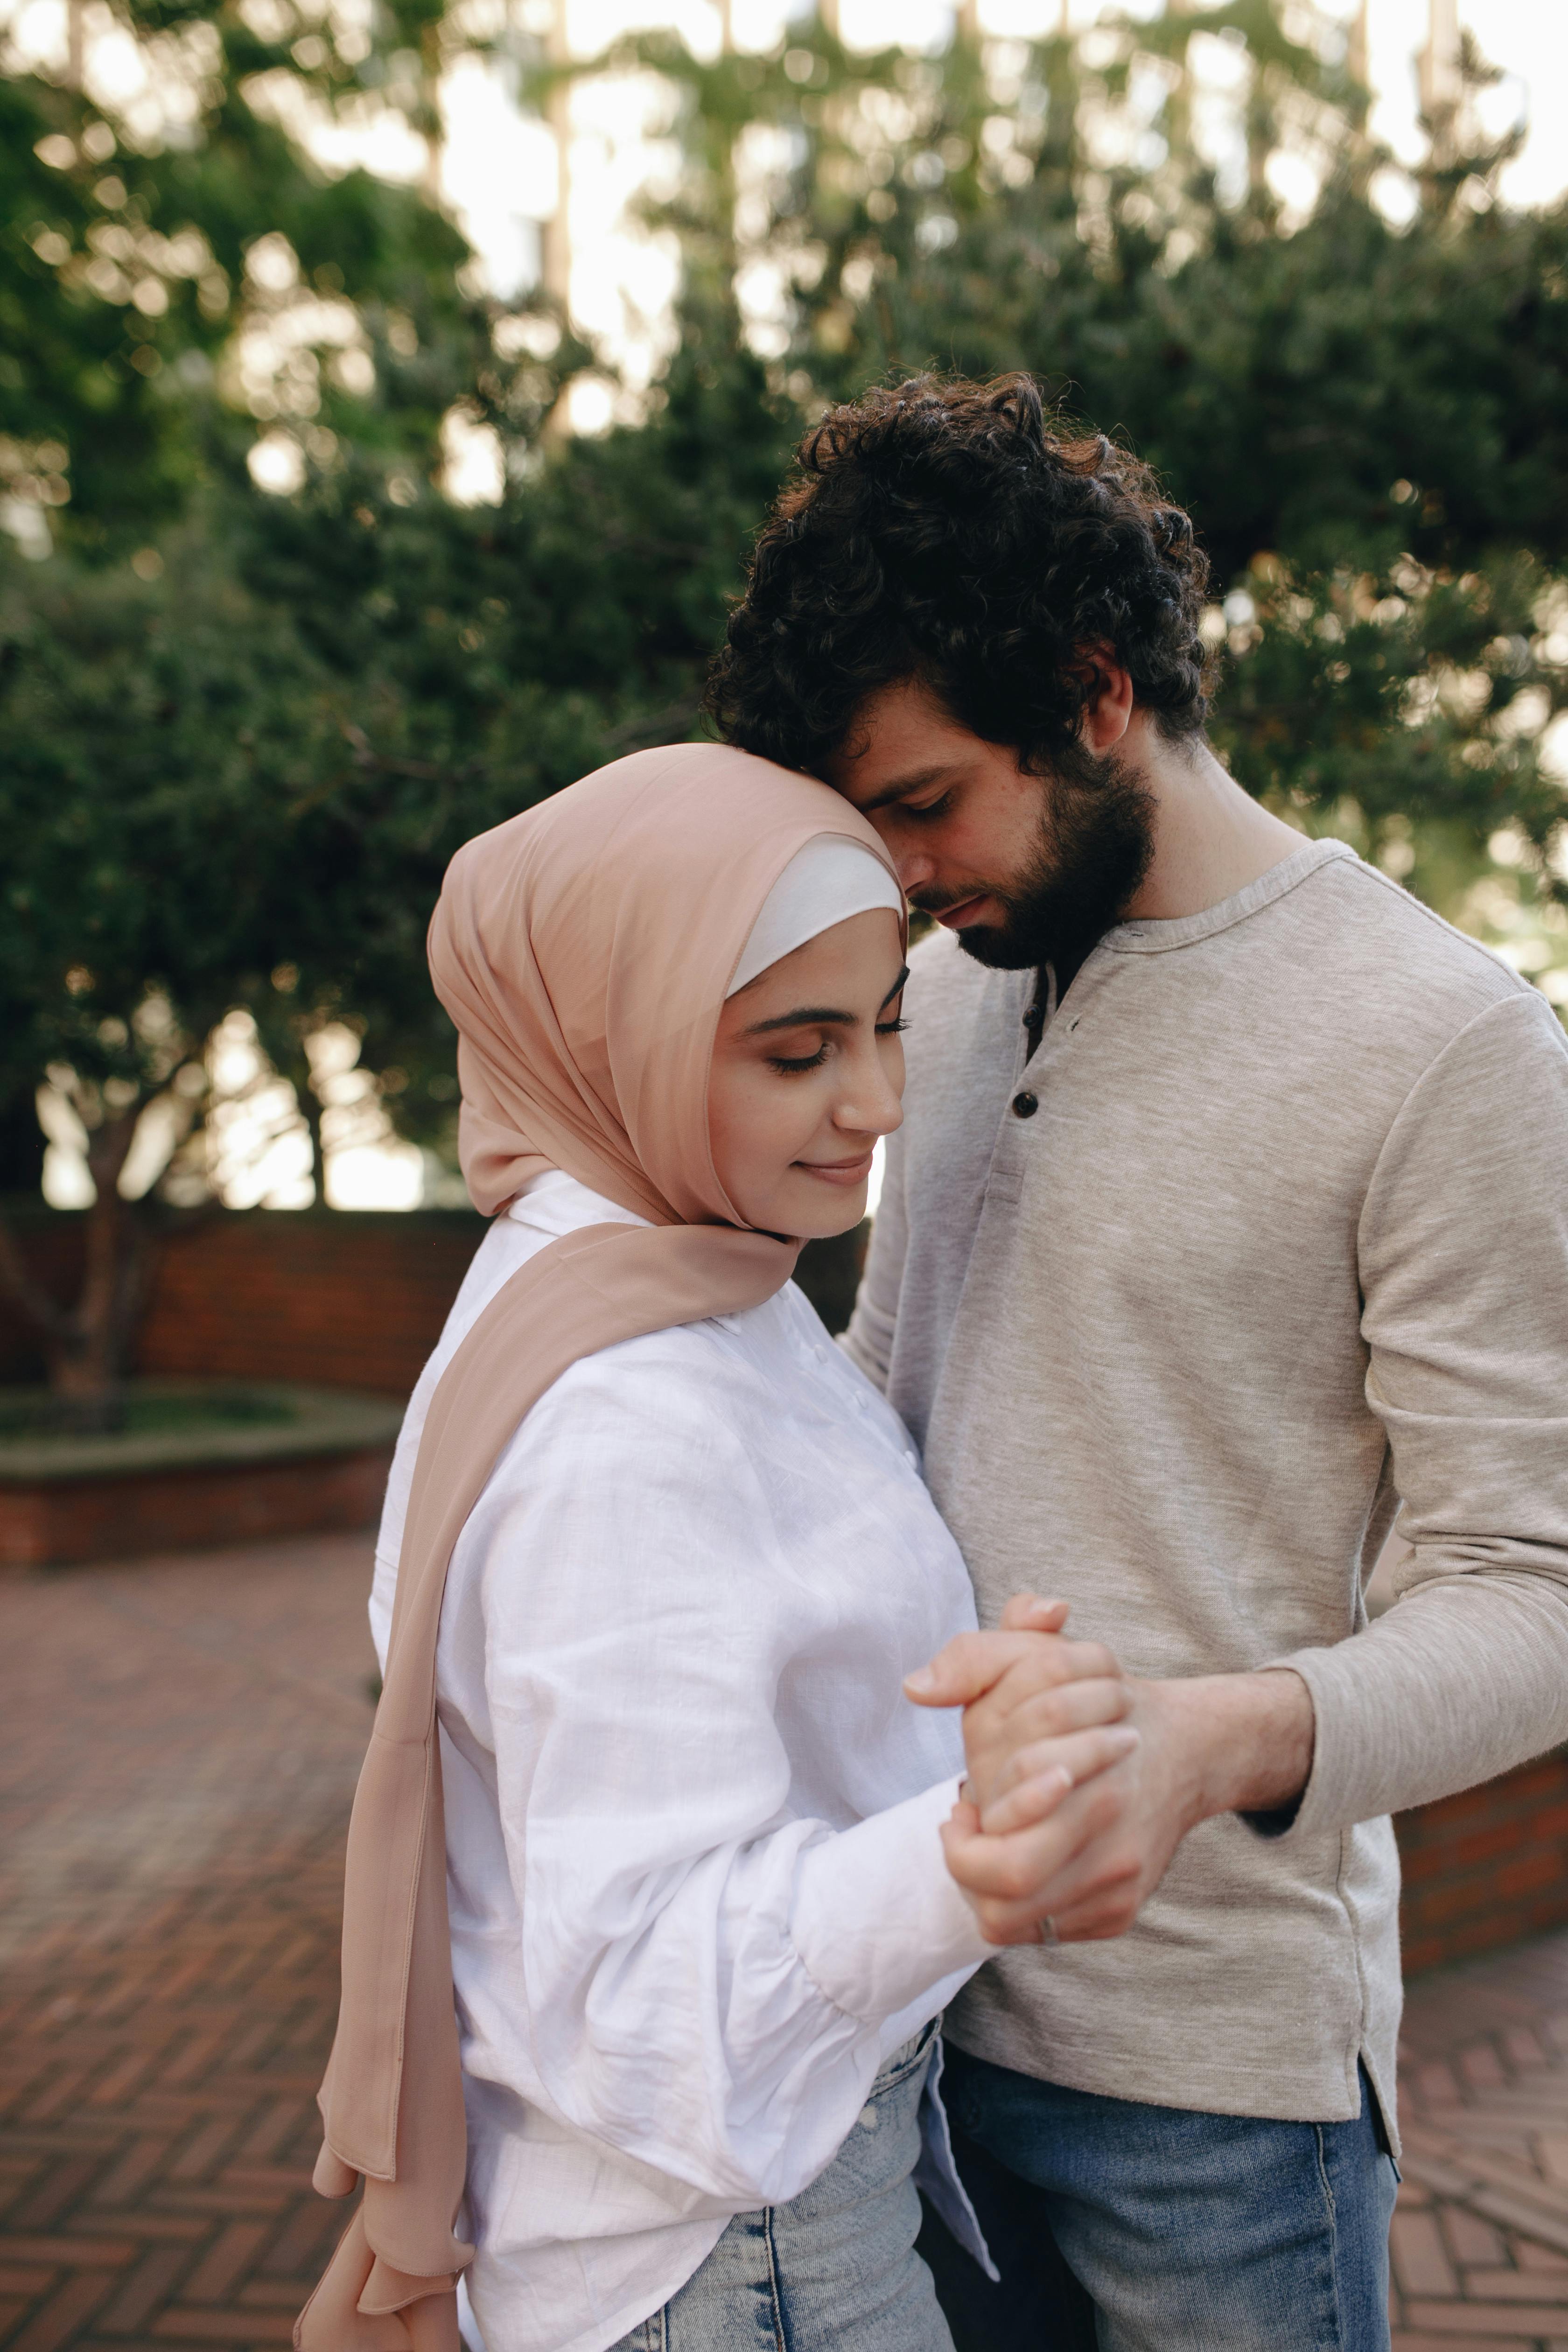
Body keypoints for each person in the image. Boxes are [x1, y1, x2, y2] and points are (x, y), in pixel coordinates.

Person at [708, 372, 1568, 2350]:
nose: (908, 876)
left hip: (1215, 2097)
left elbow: (1533, 1589)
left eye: (926, 804)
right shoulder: (944, 992)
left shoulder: (1443, 1040)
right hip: (906, 2020)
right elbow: (883, 1401)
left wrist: (1209, 1745)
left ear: (1099, 691)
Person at [294, 742, 1136, 2352]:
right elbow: (659, 2010)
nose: (878, 1101)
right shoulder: (621, 1415)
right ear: (612, 1045)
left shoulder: (681, 1284)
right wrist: (968, 1837)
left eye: (889, 1021)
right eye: (795, 1049)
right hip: (736, 2256)